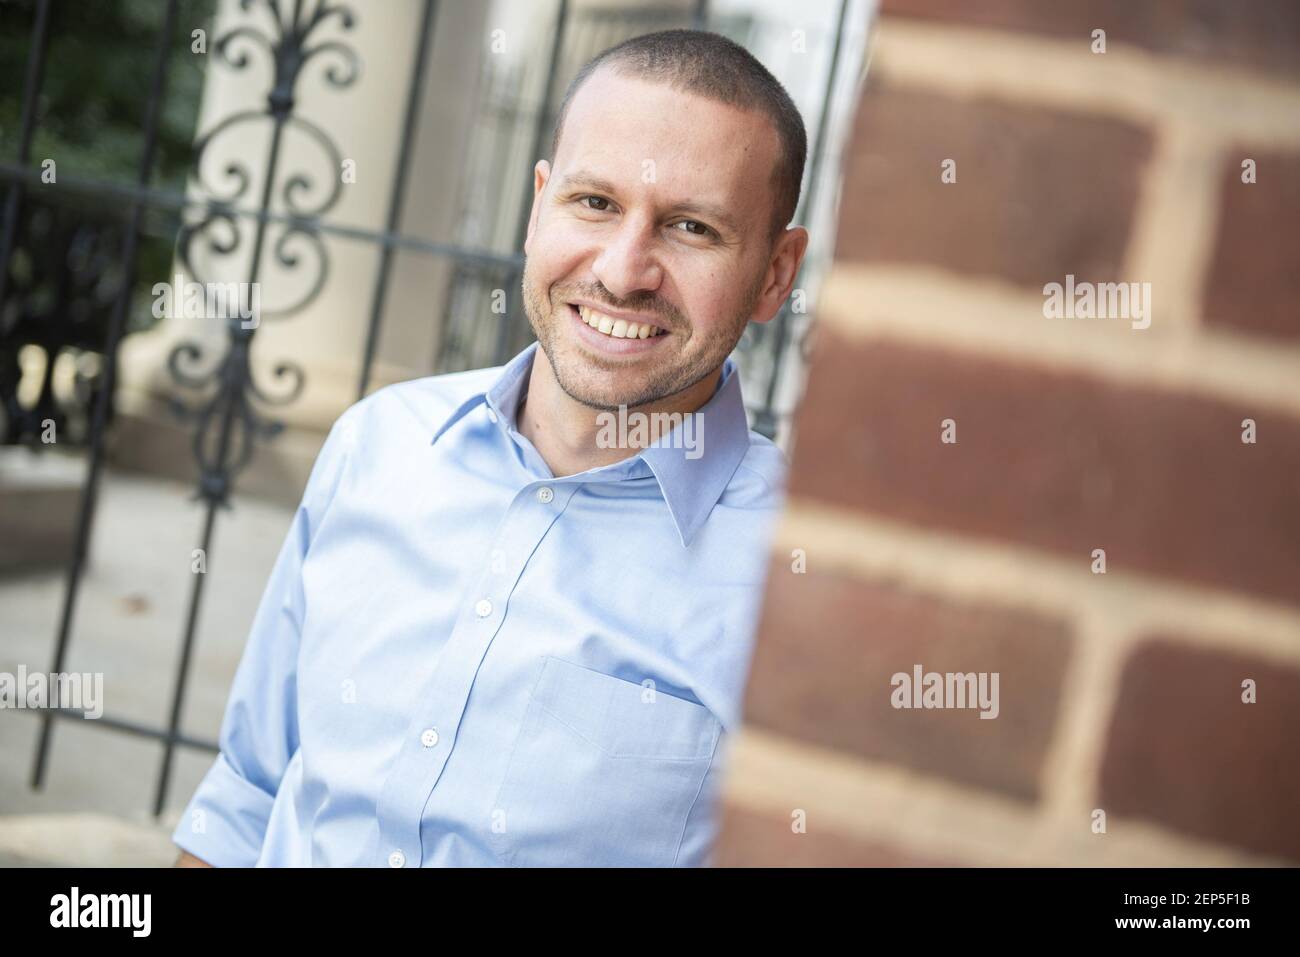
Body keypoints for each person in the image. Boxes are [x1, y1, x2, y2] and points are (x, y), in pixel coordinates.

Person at [174, 27, 809, 868]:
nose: (623, 272)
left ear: (774, 272)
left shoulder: (798, 574)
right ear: (538, 203)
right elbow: (248, 793)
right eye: (595, 203)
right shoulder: (378, 444)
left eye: (691, 227)